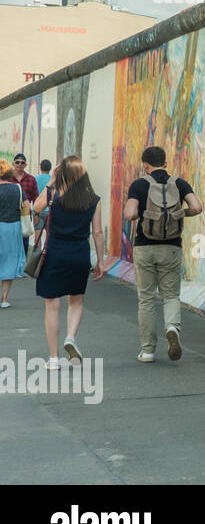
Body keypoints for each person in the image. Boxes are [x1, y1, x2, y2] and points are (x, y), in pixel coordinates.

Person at [123, 146, 202, 362]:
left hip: (144, 247)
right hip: (171, 247)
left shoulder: (139, 184)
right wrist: (177, 214)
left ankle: (148, 351)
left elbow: (130, 213)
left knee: (146, 299)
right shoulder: (179, 183)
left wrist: (145, 214)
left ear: (145, 166)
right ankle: (172, 328)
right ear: (165, 164)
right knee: (171, 295)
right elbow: (197, 207)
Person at [32, 156, 107, 366]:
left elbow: (36, 208)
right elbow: (98, 232)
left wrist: (50, 181)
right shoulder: (94, 199)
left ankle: (54, 358)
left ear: (61, 173)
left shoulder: (53, 194)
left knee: (52, 306)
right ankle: (70, 338)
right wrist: (100, 261)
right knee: (76, 301)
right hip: (80, 254)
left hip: (54, 253)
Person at [0, 160, 27, 309]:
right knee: (9, 261)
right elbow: (26, 206)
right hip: (12, 228)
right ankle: (4, 299)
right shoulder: (17, 188)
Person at [13, 154, 37, 255]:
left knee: (24, 245)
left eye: (22, 163)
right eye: (17, 162)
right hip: (9, 215)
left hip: (25, 215)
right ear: (13, 164)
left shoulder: (31, 179)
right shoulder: (7, 178)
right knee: (10, 245)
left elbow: (36, 198)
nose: (20, 164)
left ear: (25, 165)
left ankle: (22, 268)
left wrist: (36, 214)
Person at [33, 159, 52, 237]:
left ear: (40, 167)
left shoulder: (34, 179)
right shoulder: (52, 180)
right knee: (49, 236)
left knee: (37, 237)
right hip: (50, 210)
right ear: (50, 168)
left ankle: (37, 249)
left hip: (37, 210)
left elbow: (33, 195)